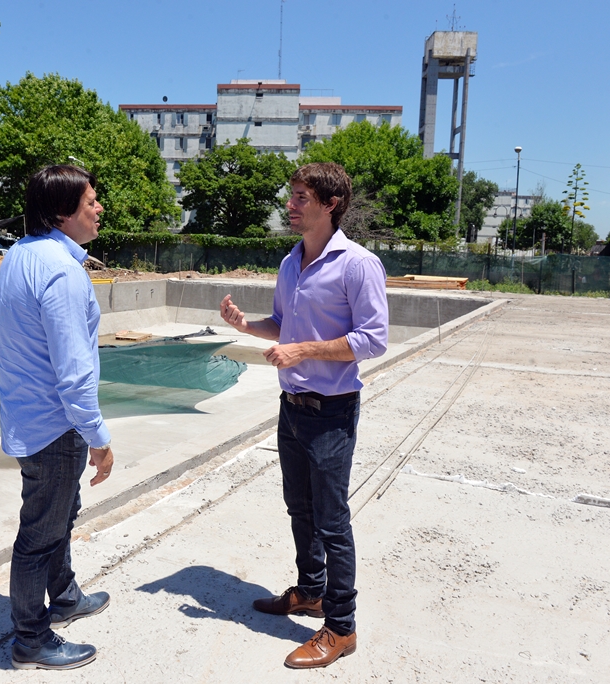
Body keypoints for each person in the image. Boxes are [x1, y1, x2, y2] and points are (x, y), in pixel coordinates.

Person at [219, 162, 388, 669]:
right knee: (300, 510)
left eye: (299, 198)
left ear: (329, 204)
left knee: (333, 523)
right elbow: (282, 326)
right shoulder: (291, 262)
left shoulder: (358, 265)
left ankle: (340, 626)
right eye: (290, 197)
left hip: (332, 412)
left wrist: (303, 352)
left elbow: (373, 339)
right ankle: (310, 591)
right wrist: (247, 326)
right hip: (291, 408)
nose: (289, 206)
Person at [0, 164, 116, 671]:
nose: (99, 208)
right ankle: (30, 639)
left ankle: (64, 597)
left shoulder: (19, 255)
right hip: (55, 424)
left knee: (59, 516)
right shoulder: (62, 271)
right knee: (41, 532)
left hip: (30, 418)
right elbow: (73, 371)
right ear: (64, 213)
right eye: (91, 201)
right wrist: (99, 436)